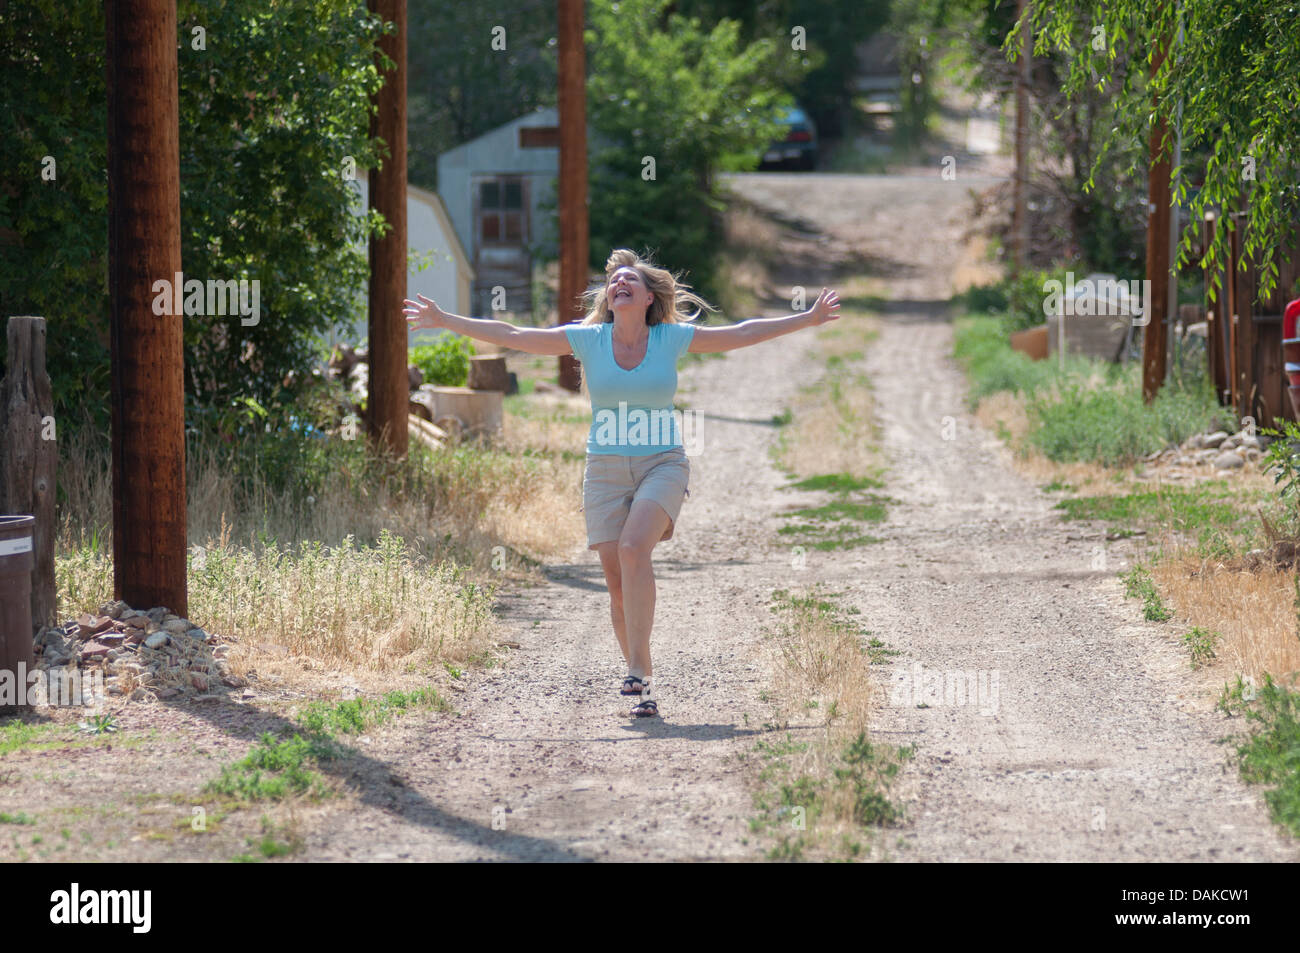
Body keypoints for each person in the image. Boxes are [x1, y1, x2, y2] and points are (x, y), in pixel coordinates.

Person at [404, 248, 840, 718]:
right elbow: (513, 334)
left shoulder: (670, 338)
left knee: (634, 549)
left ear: (649, 297)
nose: (620, 285)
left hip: (662, 464)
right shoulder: (589, 339)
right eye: (614, 282)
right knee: (616, 587)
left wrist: (806, 319)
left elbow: (739, 333)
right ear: (610, 299)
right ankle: (644, 679)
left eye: (631, 280)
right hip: (605, 471)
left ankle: (635, 665)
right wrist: (444, 318)